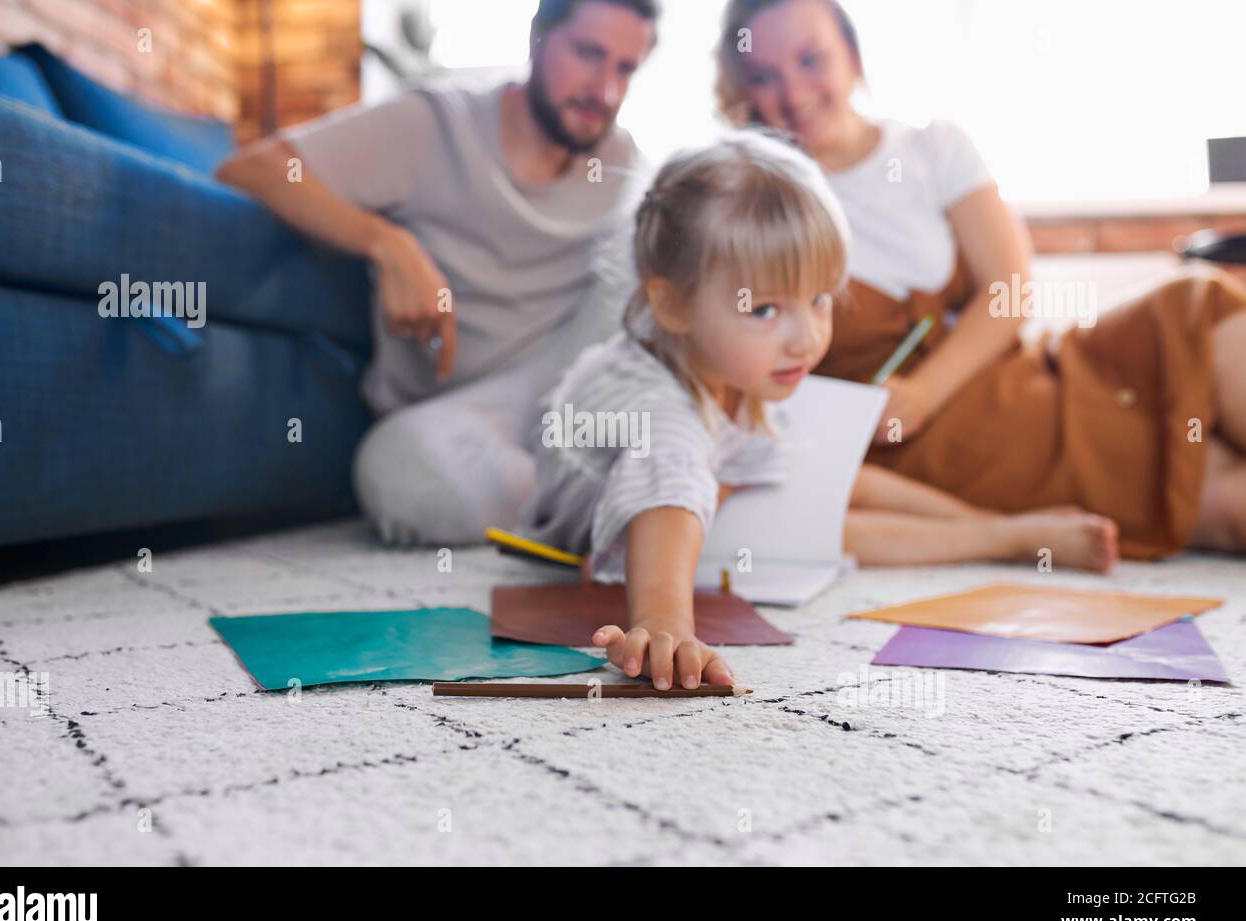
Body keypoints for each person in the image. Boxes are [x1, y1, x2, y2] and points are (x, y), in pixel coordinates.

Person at [518, 131, 1119, 692]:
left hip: (711, 467)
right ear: (672, 305)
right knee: (809, 524)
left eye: (821, 299)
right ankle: (1008, 538)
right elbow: (667, 487)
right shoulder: (660, 408)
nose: (806, 339)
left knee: (828, 482)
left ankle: (1001, 523)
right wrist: (665, 623)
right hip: (615, 531)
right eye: (764, 310)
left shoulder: (731, 359)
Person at [715, 0, 1246, 559]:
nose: (793, 93)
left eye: (810, 60)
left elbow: (1010, 288)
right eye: (764, 76)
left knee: (1198, 303)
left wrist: (921, 392)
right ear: (741, 87)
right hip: (954, 448)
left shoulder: (931, 147)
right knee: (1222, 498)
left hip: (1040, 370)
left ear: (851, 53)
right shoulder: (750, 202)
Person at [216, 0, 659, 544]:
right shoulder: (433, 123)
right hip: (460, 419)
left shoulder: (622, 166)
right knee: (400, 474)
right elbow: (251, 170)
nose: (605, 91)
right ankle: (597, 508)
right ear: (538, 38)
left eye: (625, 68)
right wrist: (387, 243)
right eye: (589, 54)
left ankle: (613, 497)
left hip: (568, 396)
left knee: (662, 241)